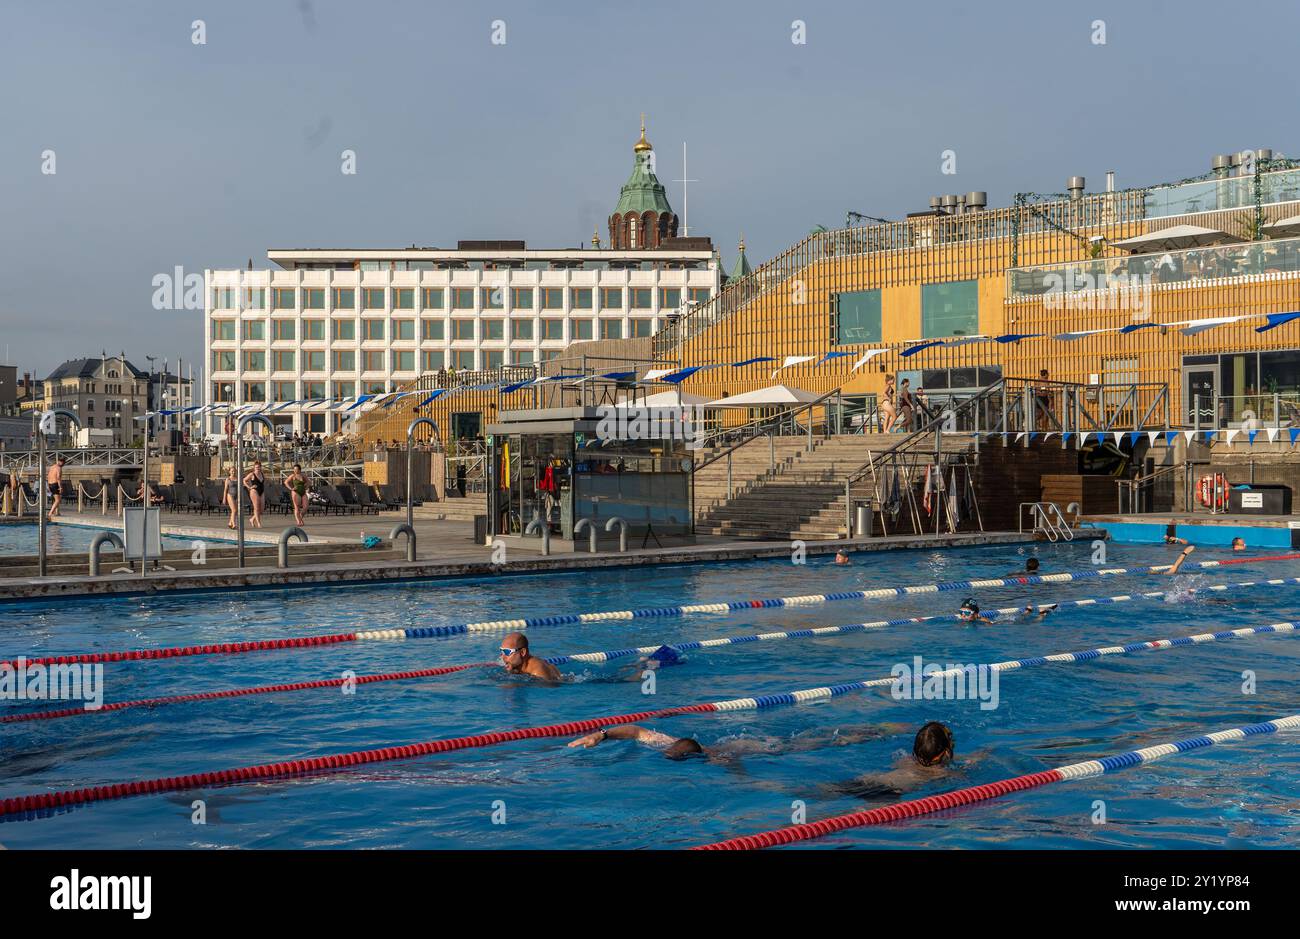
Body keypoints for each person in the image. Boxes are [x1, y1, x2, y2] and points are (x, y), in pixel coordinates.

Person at [567, 721, 913, 765]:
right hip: (748, 739)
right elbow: (638, 730)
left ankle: (874, 730)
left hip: (761, 748)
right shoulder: (667, 742)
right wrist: (601, 735)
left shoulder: (715, 759)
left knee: (826, 741)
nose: (667, 752)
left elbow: (735, 766)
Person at [823, 721, 961, 800]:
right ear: (947, 752)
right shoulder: (941, 773)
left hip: (867, 780)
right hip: (888, 792)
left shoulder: (907, 760)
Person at [242, 459, 266, 529]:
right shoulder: (252, 474)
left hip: (261, 491)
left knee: (261, 509)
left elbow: (263, 482)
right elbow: (244, 480)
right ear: (254, 468)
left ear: (261, 467)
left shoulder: (262, 474)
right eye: (256, 467)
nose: (258, 468)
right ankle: (258, 523)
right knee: (256, 508)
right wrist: (249, 487)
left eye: (259, 467)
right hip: (254, 491)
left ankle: (252, 519)